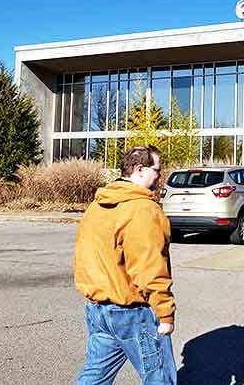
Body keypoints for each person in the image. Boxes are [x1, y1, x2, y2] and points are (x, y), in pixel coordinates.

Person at [74, 145, 176, 384]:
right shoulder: (142, 208)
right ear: (139, 169)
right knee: (159, 377)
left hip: (99, 309)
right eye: (157, 171)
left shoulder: (98, 205)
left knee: (95, 376)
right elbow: (149, 266)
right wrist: (165, 313)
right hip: (132, 312)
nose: (160, 177)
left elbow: (85, 253)